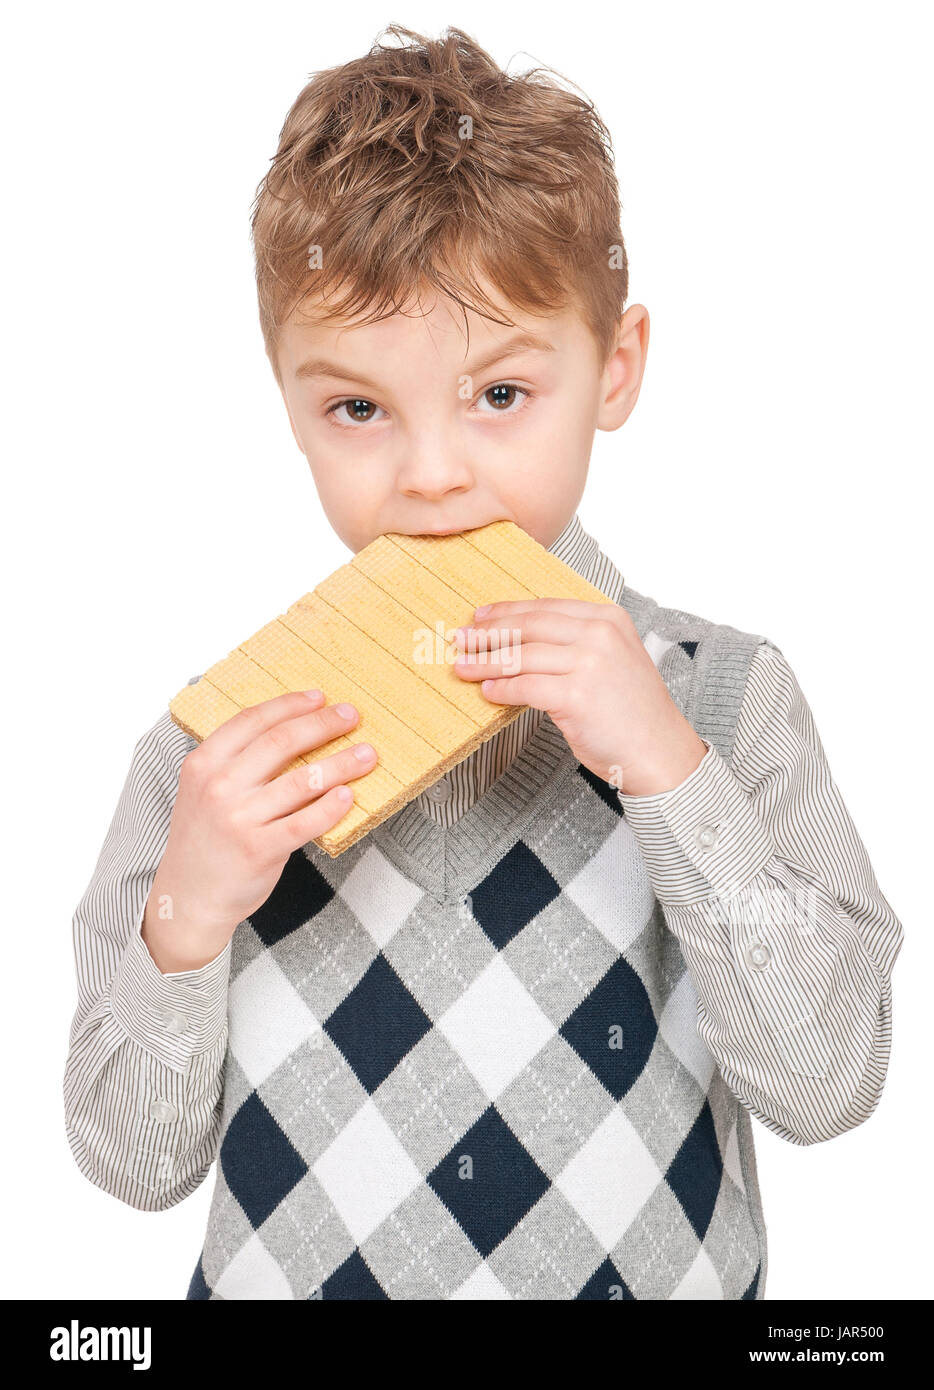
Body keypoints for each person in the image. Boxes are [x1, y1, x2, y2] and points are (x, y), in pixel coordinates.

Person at [63, 24, 903, 1300]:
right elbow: (130, 1161)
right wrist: (186, 911)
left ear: (612, 367)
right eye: (358, 408)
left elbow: (831, 1081)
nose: (433, 472)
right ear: (287, 401)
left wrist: (669, 773)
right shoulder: (208, 753)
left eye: (500, 394)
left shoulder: (725, 696)